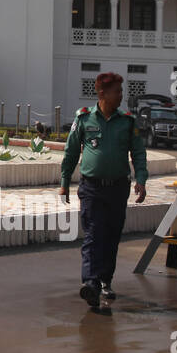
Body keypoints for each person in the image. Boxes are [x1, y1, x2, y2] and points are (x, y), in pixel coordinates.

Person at [58, 72, 147, 309]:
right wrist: (65, 182)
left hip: (118, 188)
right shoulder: (84, 118)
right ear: (102, 94)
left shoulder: (127, 121)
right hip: (91, 188)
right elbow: (71, 151)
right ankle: (91, 283)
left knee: (111, 236)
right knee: (93, 235)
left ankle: (105, 280)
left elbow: (138, 153)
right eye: (117, 91)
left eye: (121, 91)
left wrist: (141, 179)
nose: (121, 96)